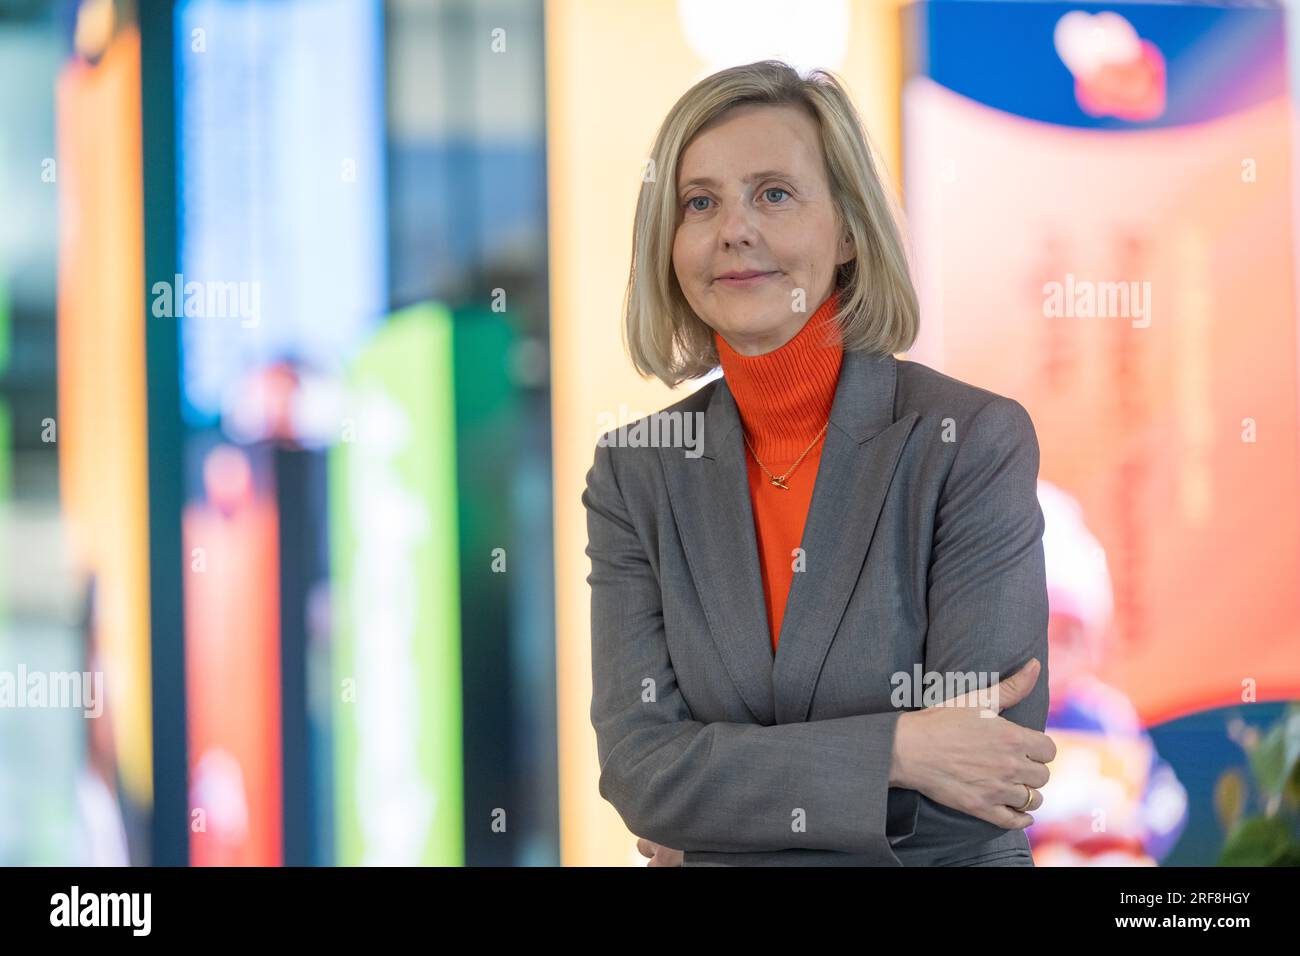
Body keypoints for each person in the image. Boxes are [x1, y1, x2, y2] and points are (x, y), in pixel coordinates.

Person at [584, 60, 1055, 866]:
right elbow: (641, 774)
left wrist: (713, 824)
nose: (734, 228)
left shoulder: (970, 442)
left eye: (774, 193)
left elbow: (986, 791)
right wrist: (901, 752)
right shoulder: (636, 475)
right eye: (700, 202)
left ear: (847, 232)